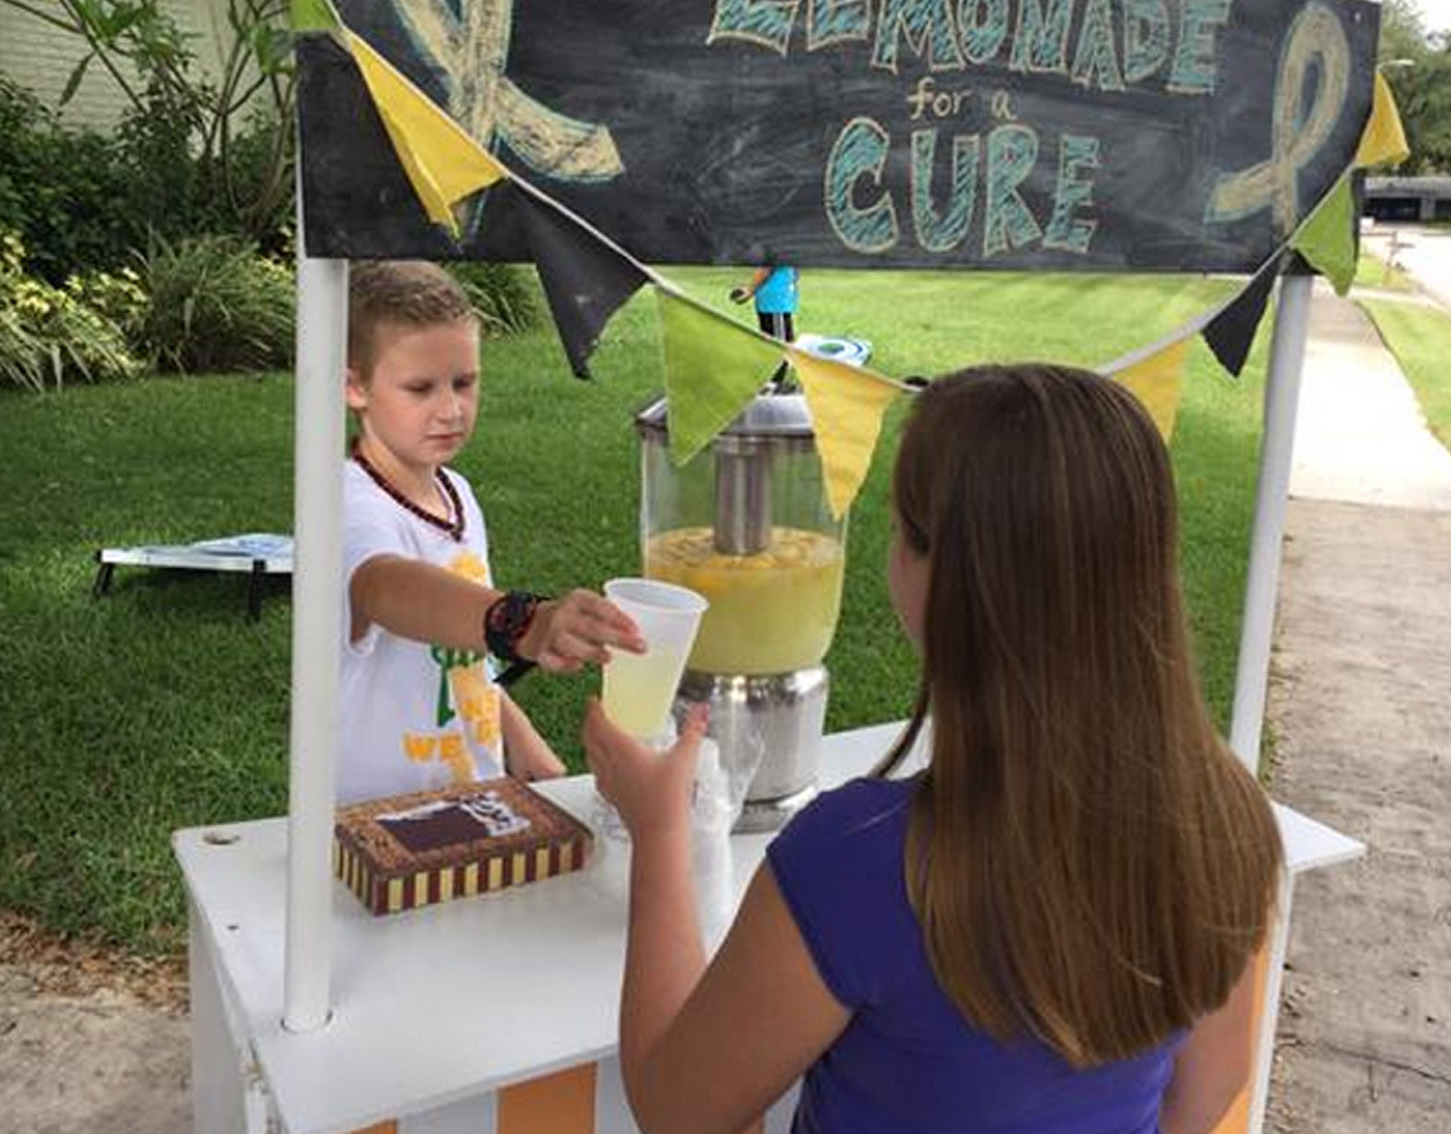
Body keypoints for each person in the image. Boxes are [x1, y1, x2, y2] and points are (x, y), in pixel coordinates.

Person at [583, 364, 1285, 1134]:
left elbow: (677, 1108)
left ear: (936, 576)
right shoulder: (1225, 817)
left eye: (902, 529)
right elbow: (1209, 1088)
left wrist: (659, 830)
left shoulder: (863, 858)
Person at [341, 260, 643, 805]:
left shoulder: (457, 494)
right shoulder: (345, 501)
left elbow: (460, 651)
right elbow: (385, 588)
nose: (451, 409)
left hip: (475, 797)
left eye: (464, 382)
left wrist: (520, 738)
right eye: (420, 388)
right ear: (354, 387)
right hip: (376, 820)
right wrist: (526, 621)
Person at [730, 263, 799, 343]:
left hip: (777, 303)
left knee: (778, 345)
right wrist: (750, 290)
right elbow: (766, 269)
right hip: (775, 304)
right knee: (779, 347)